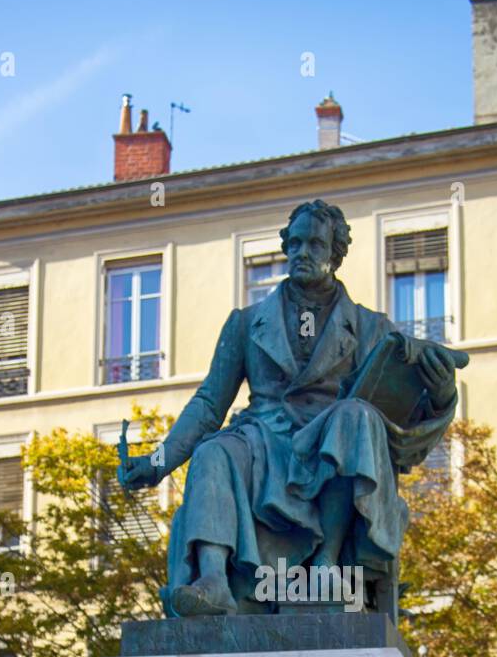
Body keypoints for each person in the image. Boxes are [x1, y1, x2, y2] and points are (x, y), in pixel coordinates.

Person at [119, 199, 460, 616]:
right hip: (264, 441)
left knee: (353, 417)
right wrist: (156, 461)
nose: (301, 253)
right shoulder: (245, 323)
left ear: (335, 255)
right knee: (213, 450)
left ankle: (326, 564)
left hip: (329, 444)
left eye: (315, 244)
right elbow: (209, 403)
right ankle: (213, 581)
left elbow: (403, 423)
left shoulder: (372, 328)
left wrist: (441, 393)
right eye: (294, 243)